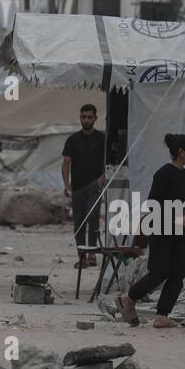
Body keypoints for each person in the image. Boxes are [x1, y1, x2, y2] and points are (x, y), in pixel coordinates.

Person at [118, 133, 185, 330]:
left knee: (178, 272)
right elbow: (154, 205)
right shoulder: (164, 174)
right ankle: (129, 297)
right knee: (160, 271)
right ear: (180, 152)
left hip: (180, 231)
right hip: (162, 230)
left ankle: (162, 316)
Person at [62, 103, 106, 268]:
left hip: (94, 186)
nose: (86, 120)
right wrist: (67, 185)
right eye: (84, 117)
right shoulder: (73, 140)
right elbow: (66, 162)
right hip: (77, 187)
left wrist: (100, 180)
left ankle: (92, 254)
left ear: (95, 118)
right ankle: (81, 256)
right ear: (80, 117)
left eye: (89, 117)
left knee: (93, 217)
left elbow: (108, 162)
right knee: (79, 222)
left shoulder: (102, 139)